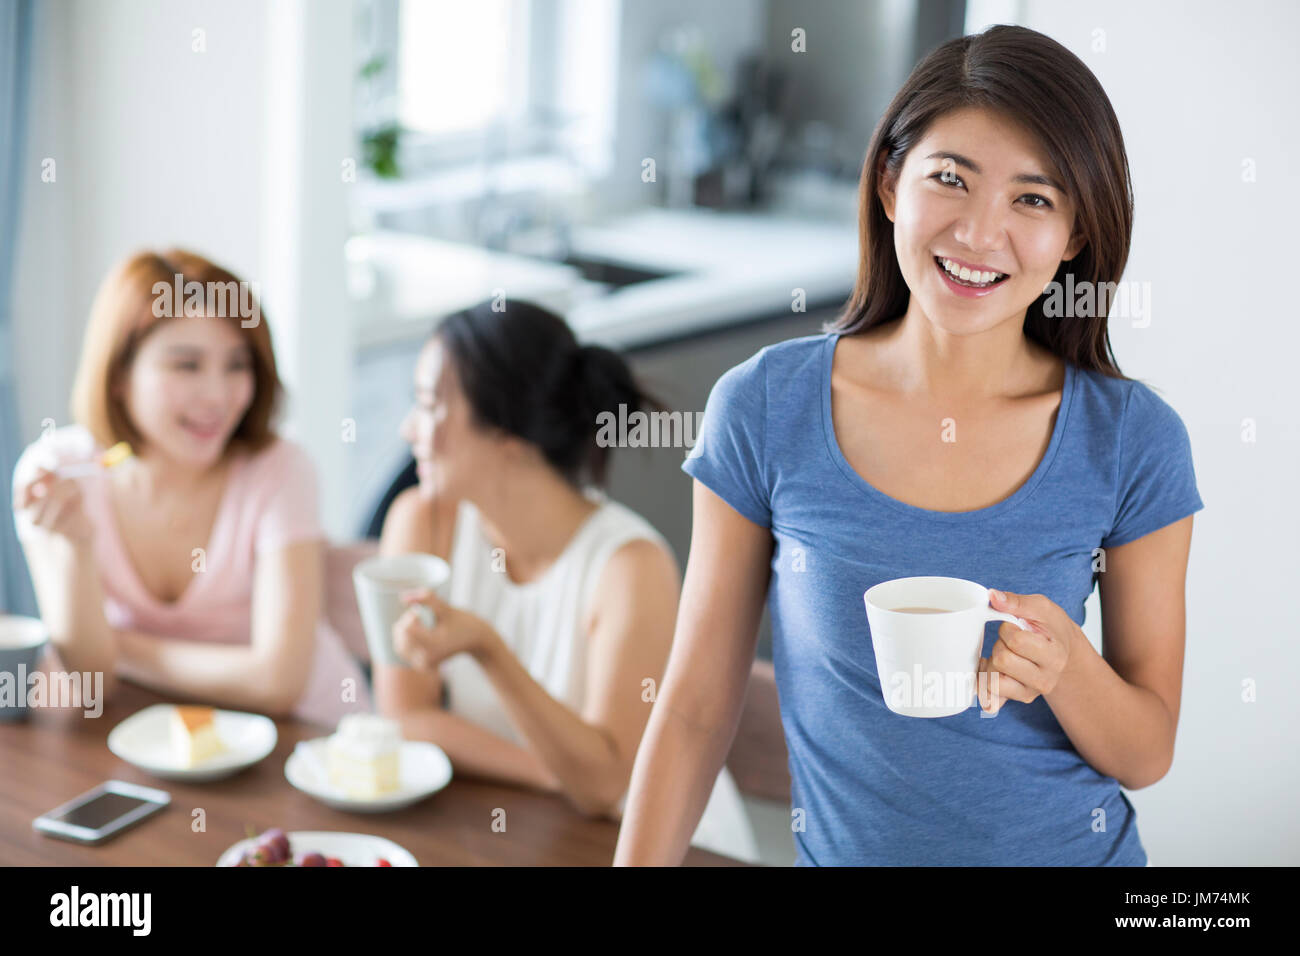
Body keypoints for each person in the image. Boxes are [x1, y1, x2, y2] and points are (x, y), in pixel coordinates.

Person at [614, 24, 1203, 866]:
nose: (977, 232)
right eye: (950, 179)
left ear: (1075, 237)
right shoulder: (763, 408)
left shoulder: (1134, 440)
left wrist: (1067, 665)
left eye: (1032, 199)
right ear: (891, 183)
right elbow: (695, 711)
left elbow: (1147, 753)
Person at [374, 299, 758, 863]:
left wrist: (488, 648)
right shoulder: (421, 520)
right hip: (522, 825)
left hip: (658, 845)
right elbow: (406, 716)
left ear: (509, 435)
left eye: (430, 406)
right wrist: (548, 772)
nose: (410, 429)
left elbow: (603, 785)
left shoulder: (629, 566)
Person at [11, 249, 368, 725]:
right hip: (156, 735)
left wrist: (118, 645)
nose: (218, 396)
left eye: (237, 365)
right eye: (187, 365)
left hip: (310, 736)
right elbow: (91, 677)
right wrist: (76, 546)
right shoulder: (57, 474)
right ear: (119, 375)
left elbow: (278, 683)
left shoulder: (280, 470)